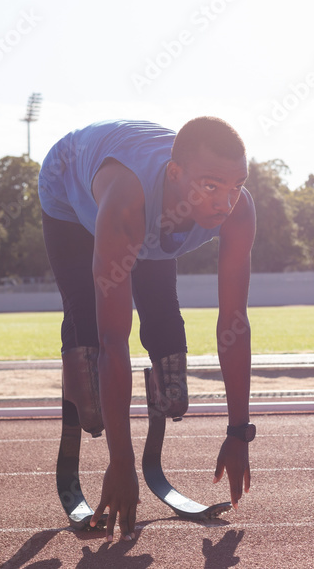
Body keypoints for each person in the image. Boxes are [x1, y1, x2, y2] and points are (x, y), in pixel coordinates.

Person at [38, 117, 255, 543]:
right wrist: (121, 461)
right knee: (89, 345)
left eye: (235, 186)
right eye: (210, 186)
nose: (224, 203)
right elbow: (112, 339)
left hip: (156, 210)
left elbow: (234, 320)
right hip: (71, 189)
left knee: (169, 350)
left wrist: (238, 431)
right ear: (176, 175)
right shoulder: (126, 203)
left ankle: (151, 452)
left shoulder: (237, 208)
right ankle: (90, 419)